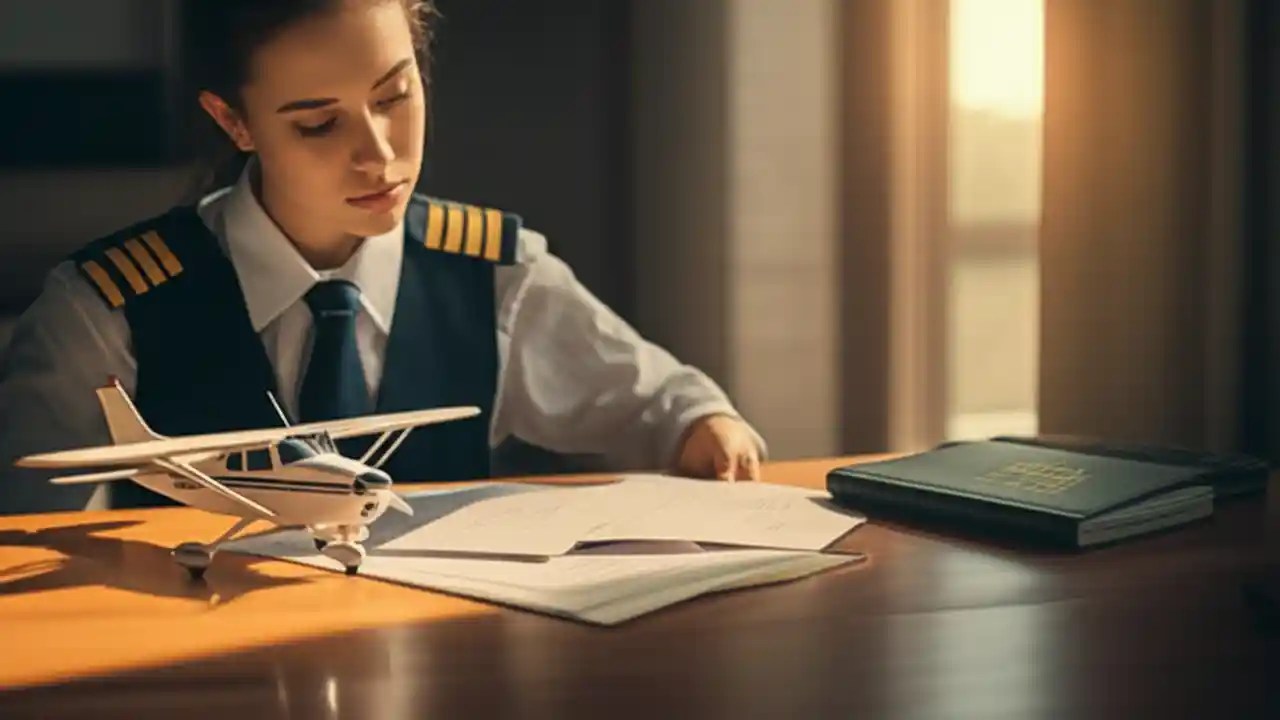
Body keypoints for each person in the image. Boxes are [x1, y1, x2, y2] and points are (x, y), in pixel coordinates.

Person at [0, 0, 764, 514]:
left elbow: (661, 402)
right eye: (318, 125)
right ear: (234, 121)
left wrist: (705, 425)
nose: (379, 154)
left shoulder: (491, 272)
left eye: (396, 96)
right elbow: (21, 535)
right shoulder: (107, 306)